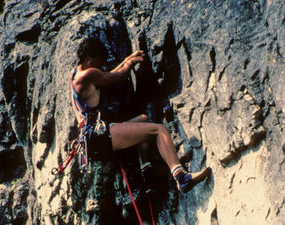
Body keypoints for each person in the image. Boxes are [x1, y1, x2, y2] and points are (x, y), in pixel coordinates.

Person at [70, 37, 211, 192]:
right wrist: (130, 63)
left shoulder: (75, 73)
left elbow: (107, 74)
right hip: (99, 136)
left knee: (143, 120)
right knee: (160, 130)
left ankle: (145, 165)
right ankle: (181, 177)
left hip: (93, 138)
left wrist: (127, 59)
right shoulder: (87, 75)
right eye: (99, 62)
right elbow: (116, 77)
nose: (101, 66)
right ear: (89, 58)